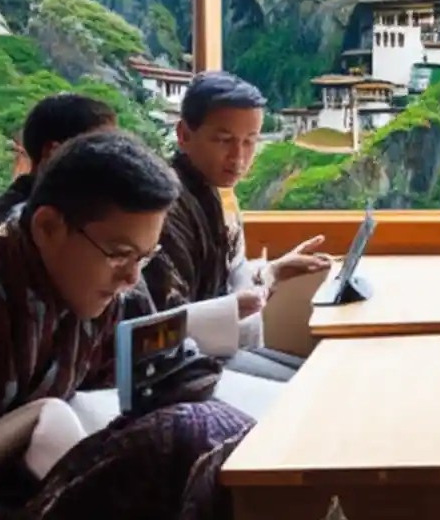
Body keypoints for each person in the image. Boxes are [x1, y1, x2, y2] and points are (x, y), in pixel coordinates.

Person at [0, 130, 252, 517]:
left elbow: (153, 373)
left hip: (26, 486)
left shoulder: (99, 286)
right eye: (119, 254)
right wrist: (29, 422)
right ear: (48, 227)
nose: (131, 278)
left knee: (210, 431)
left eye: (144, 258)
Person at [141, 71, 329, 381]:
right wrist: (237, 303)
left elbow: (228, 281)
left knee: (319, 375)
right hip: (183, 367)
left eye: (249, 142)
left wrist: (273, 272)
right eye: (224, 140)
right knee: (310, 387)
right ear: (184, 135)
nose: (238, 158)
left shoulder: (213, 193)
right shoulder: (166, 208)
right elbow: (163, 329)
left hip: (218, 350)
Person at [0, 93, 117, 238]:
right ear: (53, 152)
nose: (110, 159)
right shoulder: (11, 219)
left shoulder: (78, 204)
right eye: (97, 148)